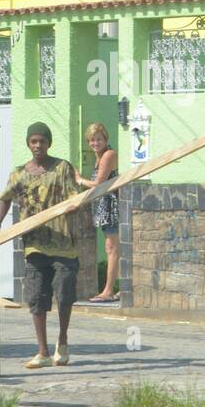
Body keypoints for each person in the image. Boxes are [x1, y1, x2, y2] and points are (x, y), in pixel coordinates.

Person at [0, 122, 83, 368]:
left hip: (63, 243)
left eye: (42, 141)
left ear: (49, 143)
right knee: (36, 299)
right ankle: (43, 352)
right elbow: (5, 199)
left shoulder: (62, 168)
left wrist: (75, 204)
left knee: (65, 295)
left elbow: (74, 197)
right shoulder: (19, 174)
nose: (38, 146)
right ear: (28, 143)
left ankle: (63, 340)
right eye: (33, 141)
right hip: (34, 245)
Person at [75, 122, 120, 302]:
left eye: (99, 139)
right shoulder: (99, 156)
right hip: (104, 206)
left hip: (112, 206)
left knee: (112, 247)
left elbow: (100, 182)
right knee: (113, 248)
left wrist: (79, 180)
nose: (96, 143)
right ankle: (120, 289)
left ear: (106, 139)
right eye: (92, 140)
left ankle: (108, 291)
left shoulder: (108, 155)